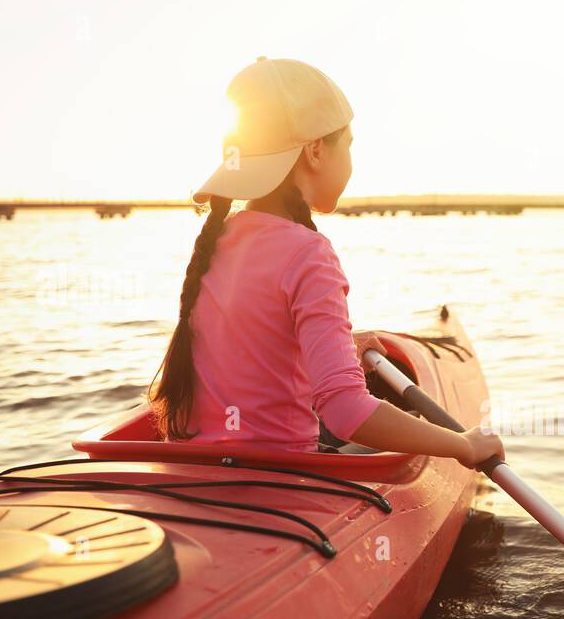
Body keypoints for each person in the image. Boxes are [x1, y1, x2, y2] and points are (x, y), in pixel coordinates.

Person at [148, 56, 503, 468]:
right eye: (348, 144)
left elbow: (253, 345)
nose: (351, 159)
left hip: (198, 471)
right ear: (315, 150)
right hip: (282, 482)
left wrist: (338, 350)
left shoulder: (217, 240)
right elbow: (346, 412)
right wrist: (465, 445)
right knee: (405, 428)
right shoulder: (308, 251)